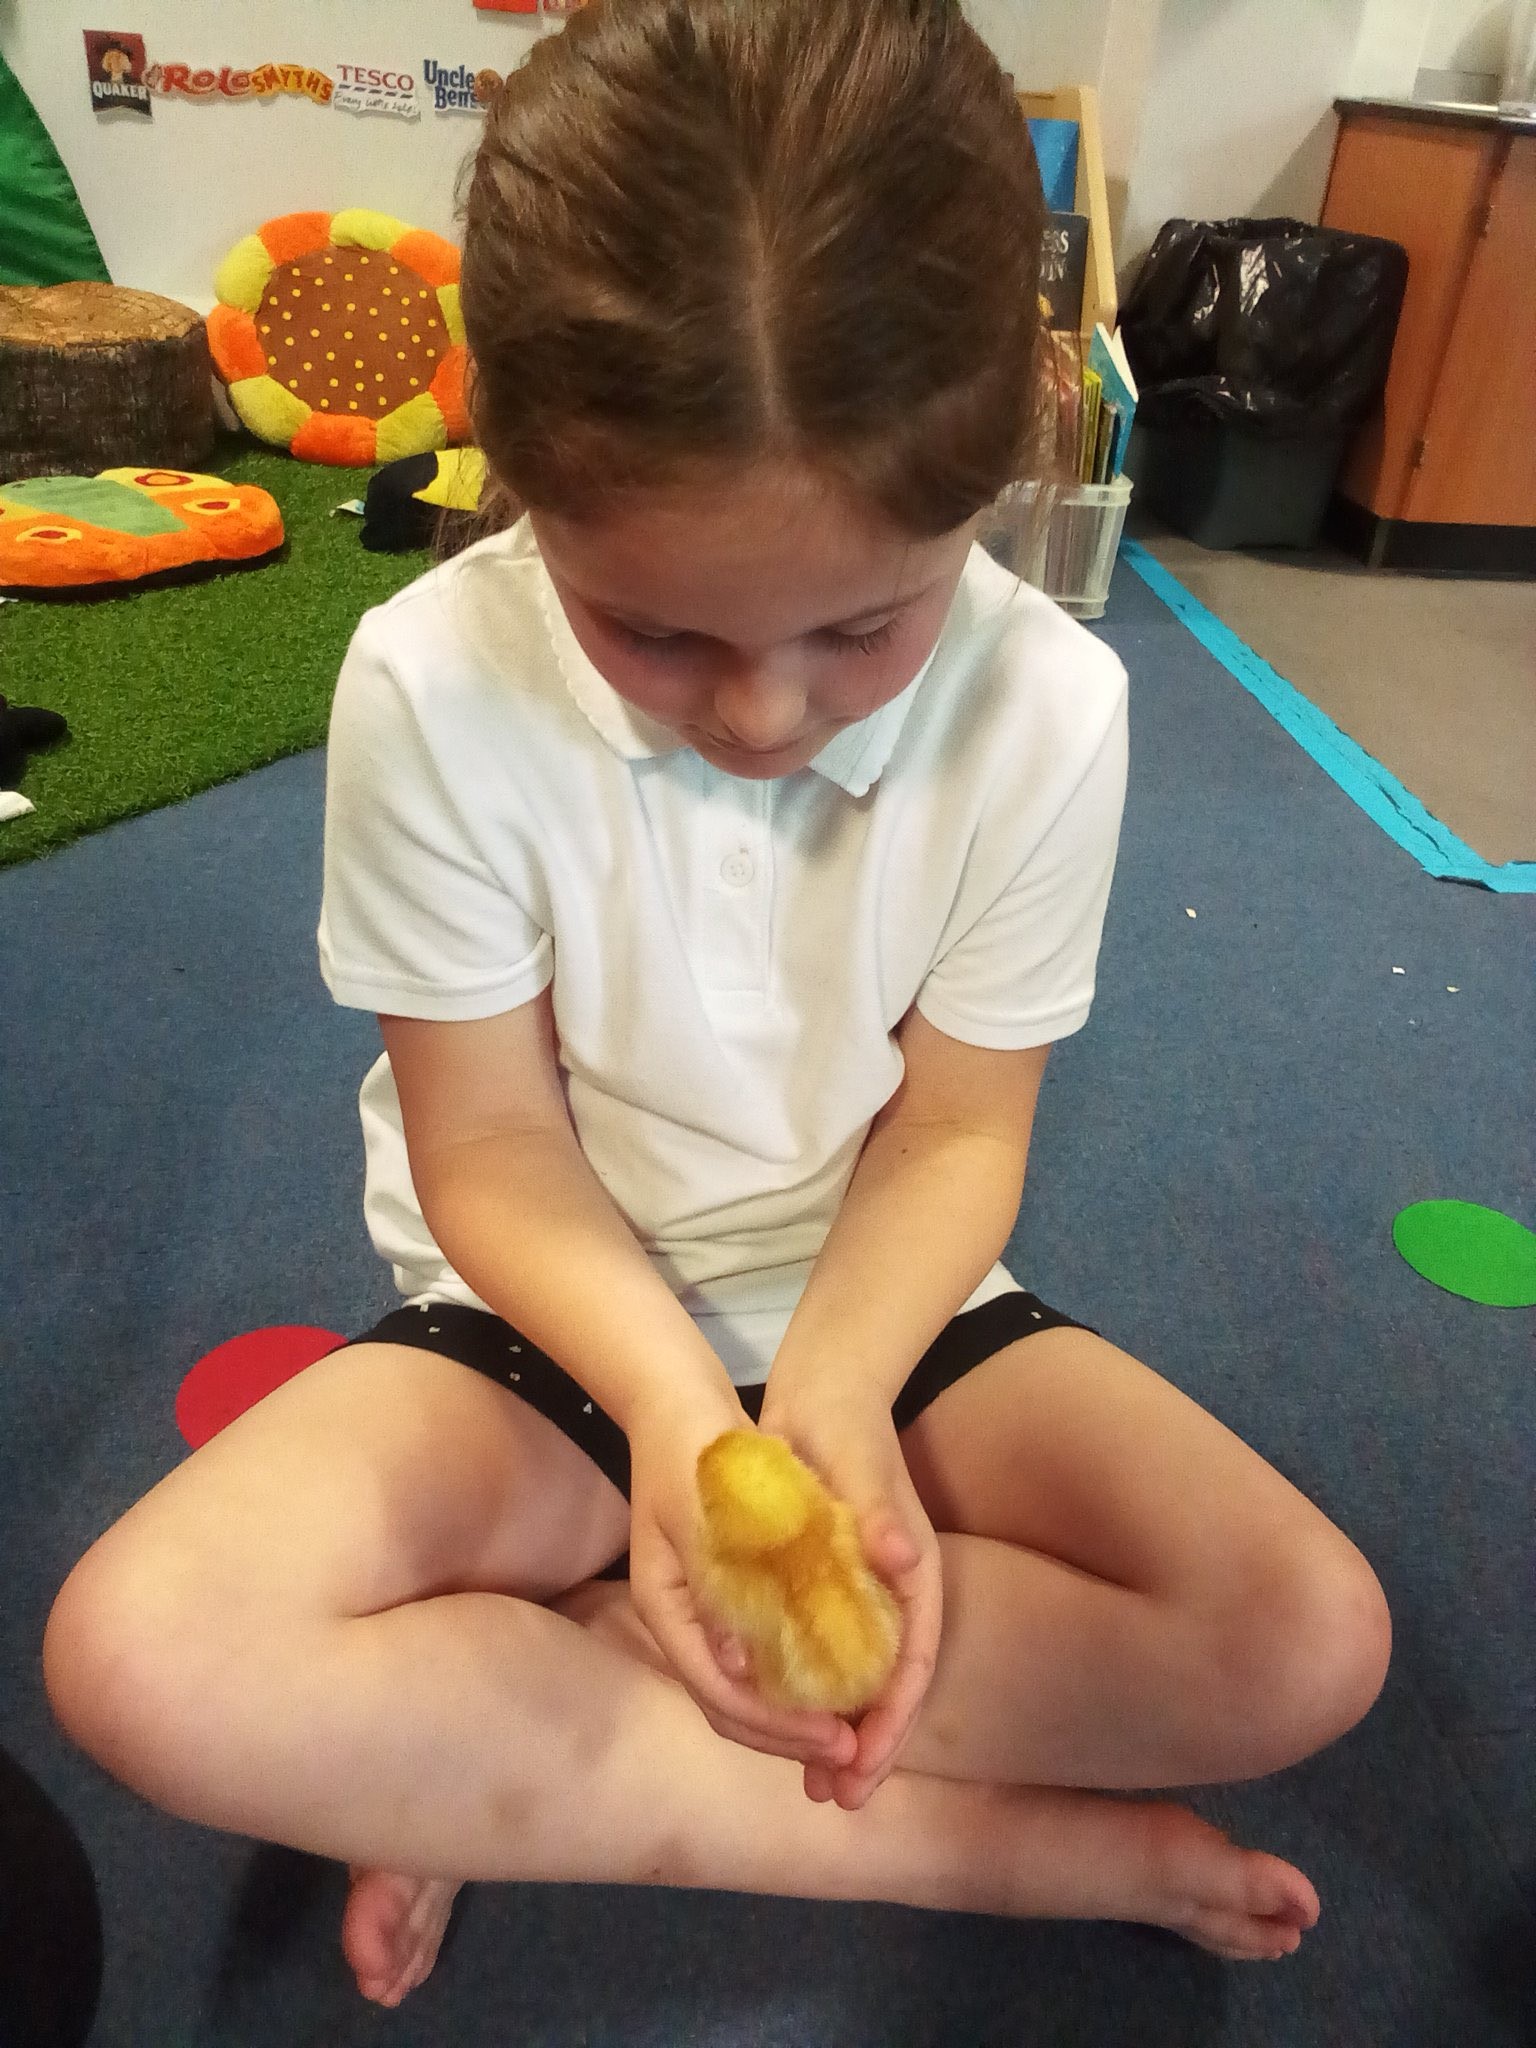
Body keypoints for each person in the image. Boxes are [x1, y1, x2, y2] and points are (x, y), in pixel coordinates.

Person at [43, 0, 1392, 2013]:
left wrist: (828, 1391)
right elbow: (485, 1147)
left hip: (885, 1306)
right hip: (545, 1326)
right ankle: (985, 1850)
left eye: (865, 622)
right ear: (510, 460)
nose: (764, 712)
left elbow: (955, 1134)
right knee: (140, 1650)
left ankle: (495, 1741)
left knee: (1302, 1632)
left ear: (1005, 459)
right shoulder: (432, 684)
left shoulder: (1054, 705)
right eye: (654, 630)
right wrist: (678, 1419)